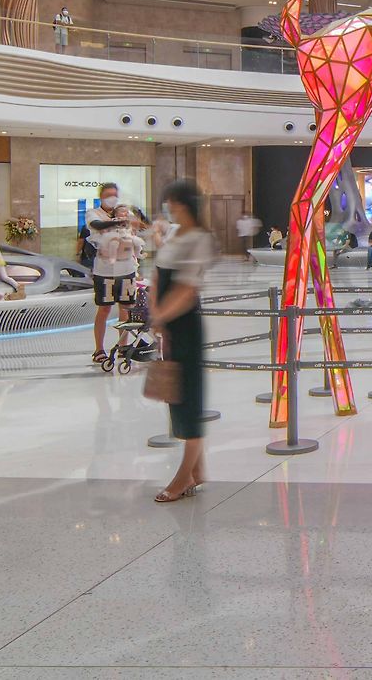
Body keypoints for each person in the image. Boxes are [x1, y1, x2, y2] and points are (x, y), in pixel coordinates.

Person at [150, 180, 213, 502]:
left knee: (188, 398)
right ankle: (197, 470)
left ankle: (184, 475)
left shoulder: (200, 239)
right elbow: (158, 275)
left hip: (185, 324)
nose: (169, 208)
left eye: (173, 203)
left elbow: (187, 290)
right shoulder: (176, 234)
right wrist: (156, 314)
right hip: (170, 323)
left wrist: (160, 315)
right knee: (176, 394)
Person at [87, 191, 142, 365]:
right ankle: (99, 349)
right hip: (105, 272)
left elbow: (141, 226)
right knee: (104, 309)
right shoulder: (96, 215)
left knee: (126, 308)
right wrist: (116, 222)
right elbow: (96, 226)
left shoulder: (127, 219)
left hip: (127, 270)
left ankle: (122, 347)